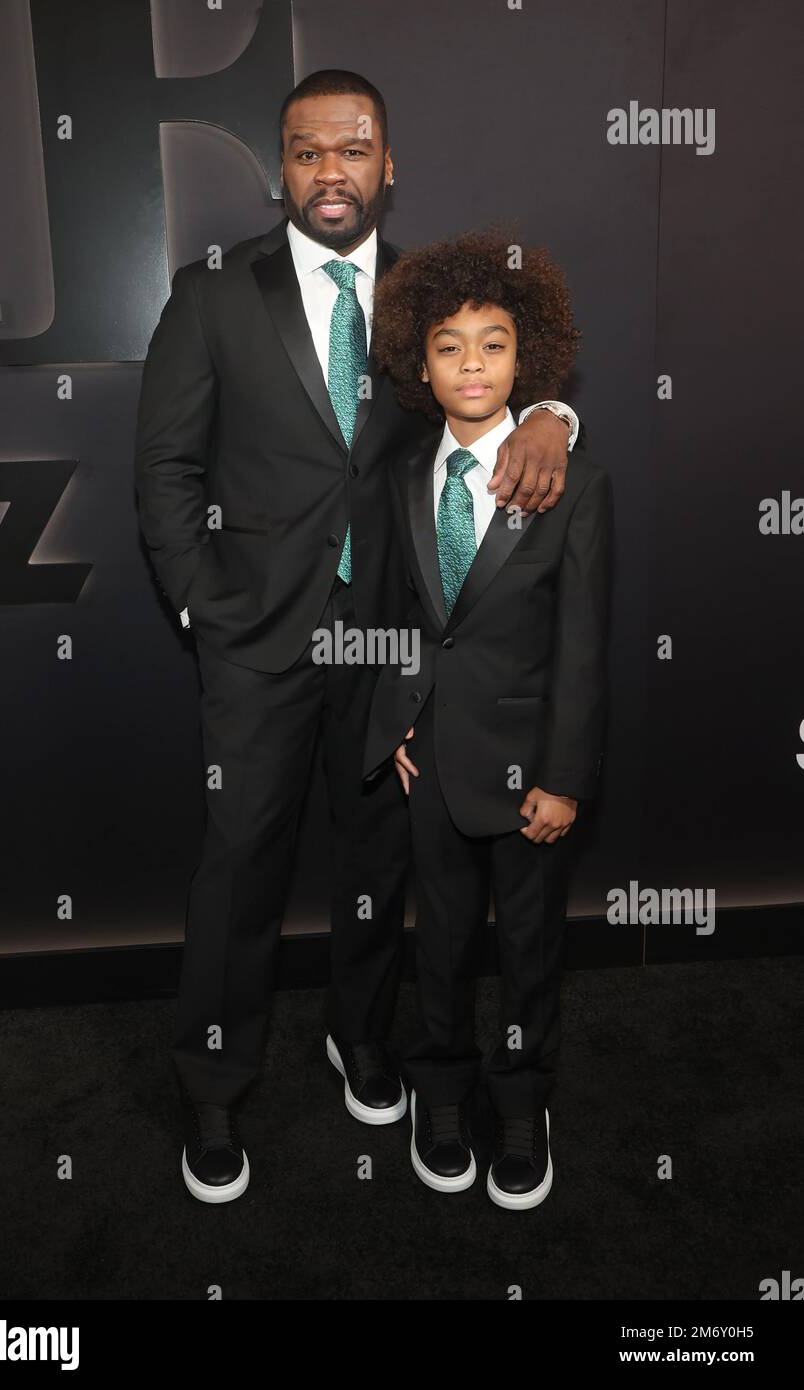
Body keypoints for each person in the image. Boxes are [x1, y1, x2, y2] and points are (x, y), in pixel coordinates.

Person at [134, 70, 585, 1204]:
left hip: (394, 641)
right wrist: (199, 603)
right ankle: (215, 1084)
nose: (329, 171)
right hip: (257, 637)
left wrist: (555, 414)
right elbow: (166, 465)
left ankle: (360, 1036)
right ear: (281, 169)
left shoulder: (426, 298)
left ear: (389, 165)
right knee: (241, 860)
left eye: (352, 149)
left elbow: (497, 384)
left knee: (382, 860)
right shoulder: (212, 292)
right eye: (306, 152)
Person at [364, 229, 613, 1208]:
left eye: (494, 344)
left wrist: (564, 778)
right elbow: (390, 612)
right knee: (439, 942)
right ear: (419, 365)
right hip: (430, 760)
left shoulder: (571, 481)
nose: (473, 363)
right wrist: (392, 718)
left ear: (527, 356)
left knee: (529, 948)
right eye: (450, 346)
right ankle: (438, 1091)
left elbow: (583, 645)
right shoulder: (398, 475)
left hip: (529, 772)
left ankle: (521, 1102)